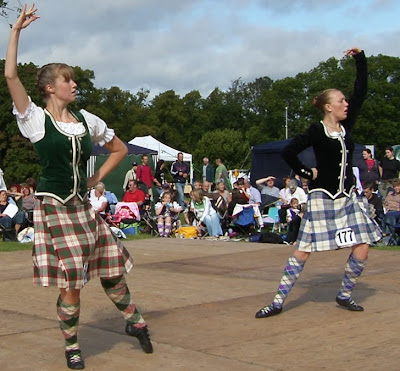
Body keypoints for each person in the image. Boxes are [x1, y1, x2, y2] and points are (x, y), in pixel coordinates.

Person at [4, 6, 152, 369]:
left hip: (83, 206)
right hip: (55, 207)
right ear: (50, 87)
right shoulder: (35, 120)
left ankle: (134, 321)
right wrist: (16, 32)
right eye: (68, 80)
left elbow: (119, 150)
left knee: (112, 268)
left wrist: (96, 178)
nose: (75, 84)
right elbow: (10, 76)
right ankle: (72, 345)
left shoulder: (87, 120)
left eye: (74, 79)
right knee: (72, 281)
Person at [255, 47, 381, 319]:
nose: (346, 104)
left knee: (362, 247)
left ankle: (344, 295)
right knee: (302, 252)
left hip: (348, 198)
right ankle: (277, 302)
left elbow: (361, 91)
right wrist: (306, 172)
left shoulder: (348, 127)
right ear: (328, 106)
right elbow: (288, 152)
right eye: (341, 101)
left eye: (346, 101)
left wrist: (360, 60)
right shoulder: (316, 131)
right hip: (322, 199)